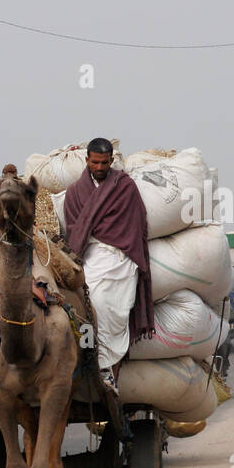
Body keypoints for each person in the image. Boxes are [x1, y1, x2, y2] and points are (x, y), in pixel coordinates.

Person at [59, 137, 155, 397]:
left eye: (104, 162)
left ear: (111, 160)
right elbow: (74, 228)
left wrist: (119, 248)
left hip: (121, 258)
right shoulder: (76, 191)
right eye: (94, 162)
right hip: (90, 255)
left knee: (107, 304)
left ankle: (106, 366)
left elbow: (136, 226)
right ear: (87, 160)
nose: (99, 167)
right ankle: (83, 359)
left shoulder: (125, 187)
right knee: (81, 301)